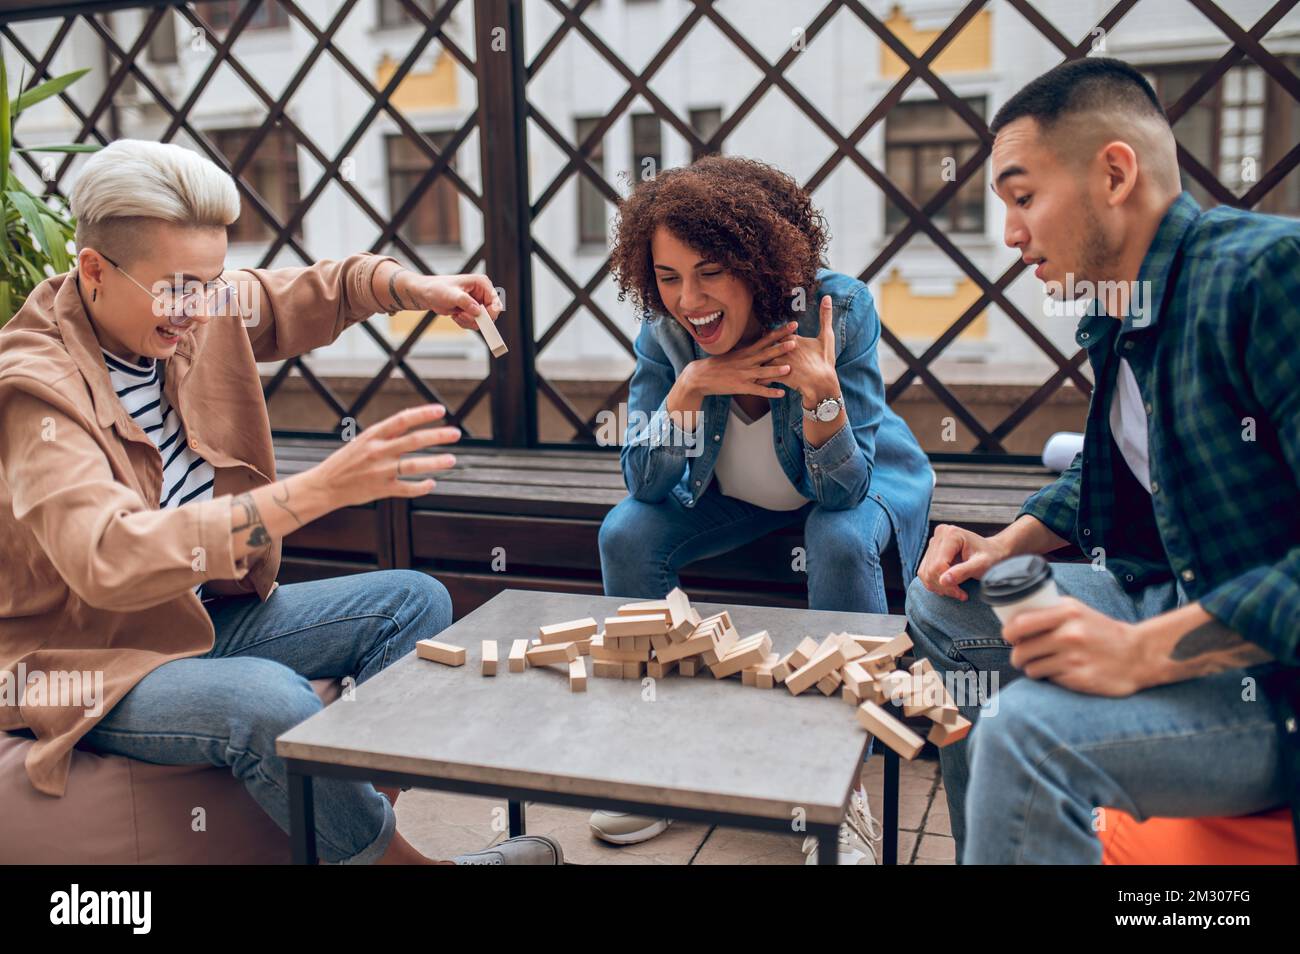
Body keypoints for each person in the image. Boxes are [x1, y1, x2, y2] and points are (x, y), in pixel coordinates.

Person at [0, 139, 561, 865]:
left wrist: (411, 289)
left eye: (211, 283)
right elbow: (107, 557)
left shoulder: (194, 301)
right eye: (179, 291)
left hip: (203, 617)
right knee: (271, 700)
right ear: (94, 270)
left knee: (415, 603)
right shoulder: (34, 388)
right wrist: (318, 490)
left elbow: (307, 293)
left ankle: (342, 840)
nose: (199, 311)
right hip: (94, 658)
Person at [906, 58, 1298, 864]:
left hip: (1272, 679)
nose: (1011, 234)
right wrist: (1002, 544)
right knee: (946, 603)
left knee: (1026, 733)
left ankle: (1034, 794)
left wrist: (1143, 653)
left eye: (1022, 198)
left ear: (1115, 173)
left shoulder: (1265, 275)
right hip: (1163, 593)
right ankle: (1019, 838)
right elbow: (1128, 466)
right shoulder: (1126, 305)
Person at [591, 155, 934, 860]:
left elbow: (845, 489)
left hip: (845, 487)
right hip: (734, 500)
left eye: (709, 270)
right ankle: (657, 763)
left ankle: (838, 787)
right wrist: (687, 390)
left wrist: (821, 396)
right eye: (667, 276)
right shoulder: (666, 337)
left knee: (838, 537)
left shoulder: (842, 309)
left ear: (757, 262)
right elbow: (643, 484)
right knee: (625, 534)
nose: (689, 299)